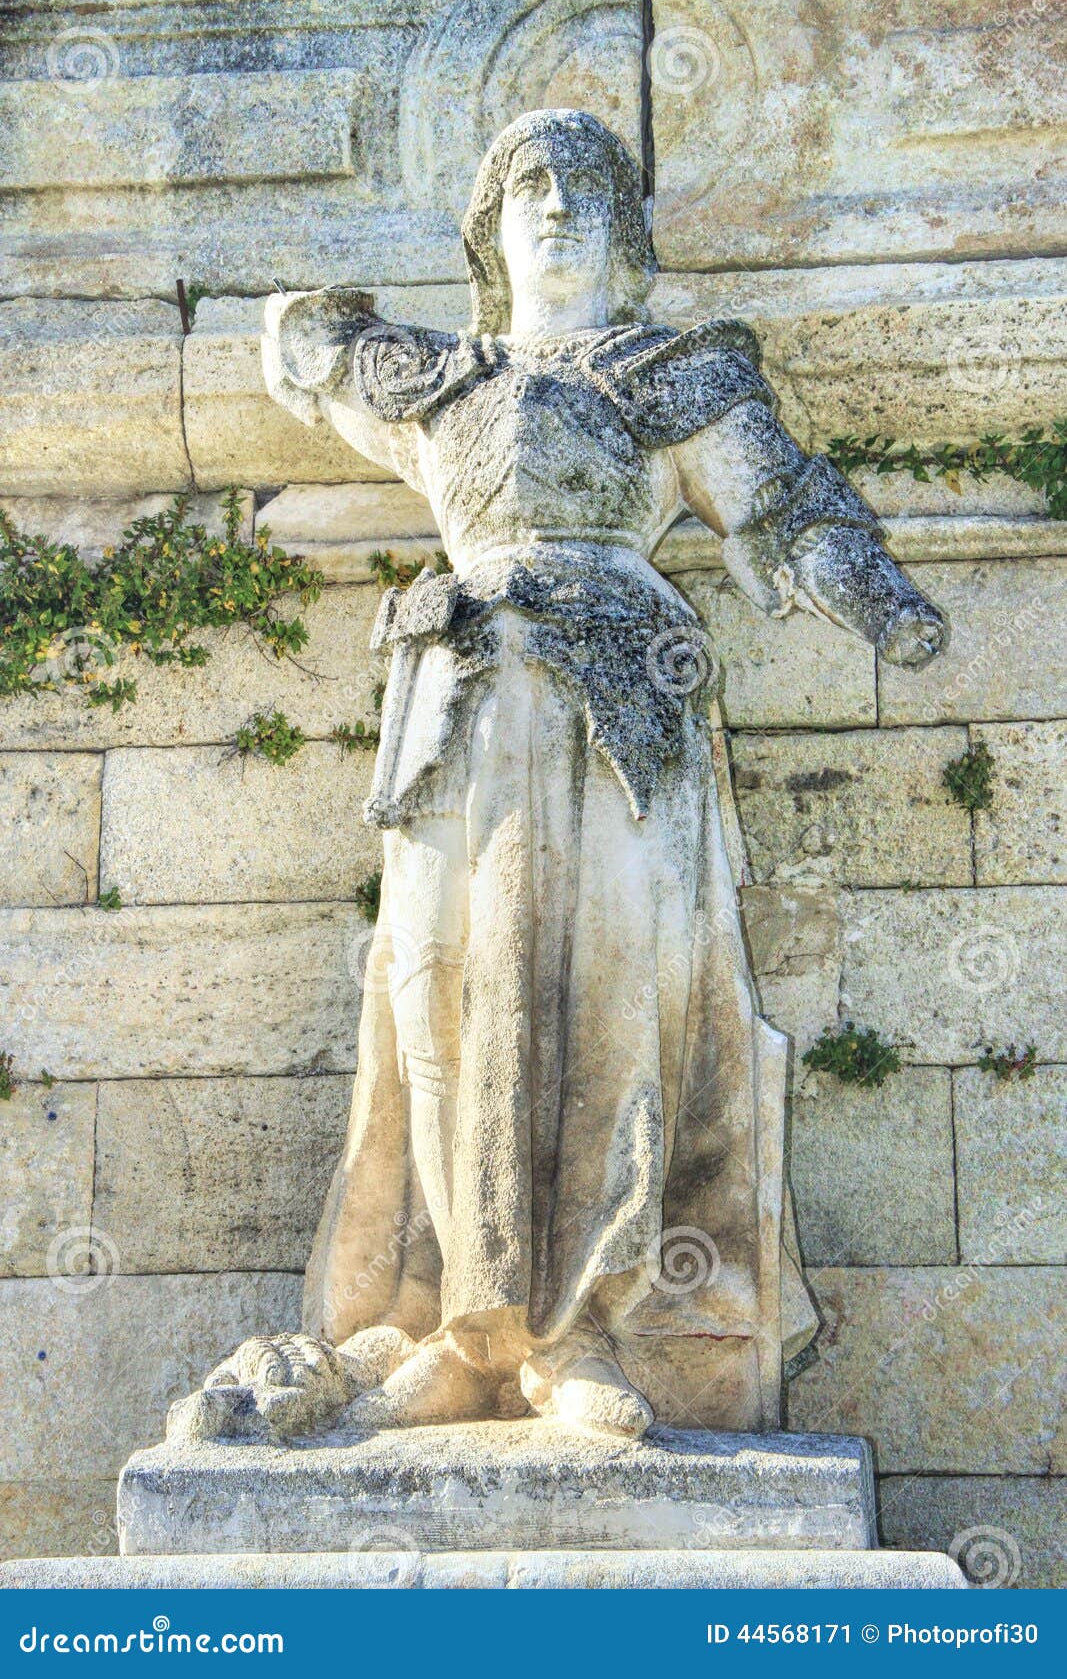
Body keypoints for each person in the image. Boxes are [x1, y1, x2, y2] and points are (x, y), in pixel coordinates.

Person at [200, 109, 944, 1443]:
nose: (557, 207)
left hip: (622, 700)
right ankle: (462, 1336)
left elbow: (787, 505)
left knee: (617, 1002)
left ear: (625, 225)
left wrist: (881, 601)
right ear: (488, 230)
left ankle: (580, 1329)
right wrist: (340, 329)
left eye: (587, 187)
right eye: (527, 187)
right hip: (462, 702)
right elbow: (295, 345)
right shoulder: (440, 378)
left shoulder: (677, 372)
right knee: (446, 997)